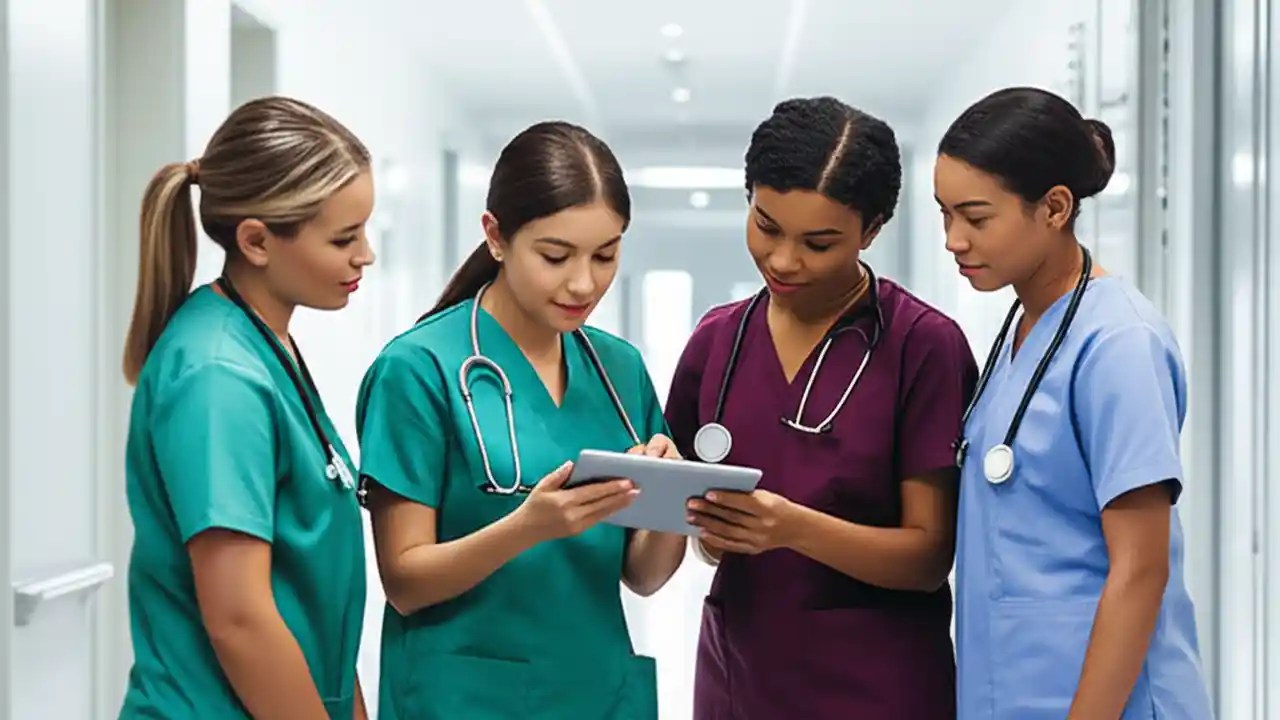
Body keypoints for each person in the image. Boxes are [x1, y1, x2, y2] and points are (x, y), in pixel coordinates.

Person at [355, 120, 686, 720]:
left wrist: (673, 505)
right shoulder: (419, 369)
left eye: (605, 255)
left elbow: (643, 576)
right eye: (555, 256)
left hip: (596, 691)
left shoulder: (619, 370)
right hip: (464, 698)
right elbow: (405, 582)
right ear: (496, 236)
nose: (584, 282)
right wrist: (527, 526)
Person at [666, 96, 978, 719]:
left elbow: (927, 556)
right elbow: (688, 517)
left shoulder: (922, 347)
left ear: (873, 229)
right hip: (739, 677)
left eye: (819, 242)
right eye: (766, 225)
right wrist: (709, 531)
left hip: (876, 687)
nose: (783, 260)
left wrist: (790, 528)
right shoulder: (717, 342)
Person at [935, 86, 1213, 720]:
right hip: (1012, 697)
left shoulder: (1120, 344)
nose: (954, 239)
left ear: (1055, 207)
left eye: (976, 218)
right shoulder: (1022, 328)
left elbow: (1141, 569)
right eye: (944, 214)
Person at [118, 96, 376, 719]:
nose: (365, 254)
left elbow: (308, 607)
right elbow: (240, 619)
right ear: (257, 241)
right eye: (343, 238)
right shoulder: (217, 374)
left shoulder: (266, 344)